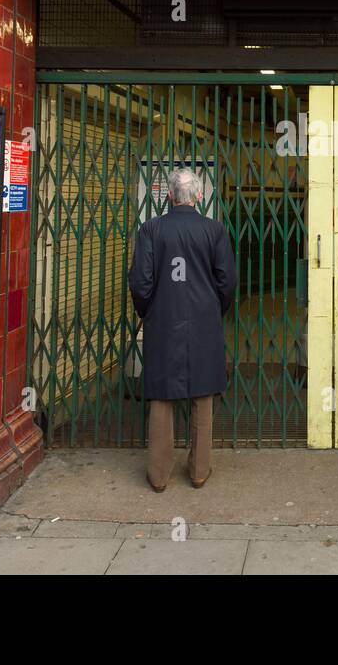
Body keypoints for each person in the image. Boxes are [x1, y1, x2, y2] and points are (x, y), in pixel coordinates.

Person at [129, 168, 237, 492]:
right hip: (204, 321)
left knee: (162, 395)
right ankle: (199, 470)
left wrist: (149, 311)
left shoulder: (150, 230)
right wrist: (216, 310)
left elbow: (140, 282)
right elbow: (227, 281)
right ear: (200, 196)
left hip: (164, 321)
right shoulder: (214, 231)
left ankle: (159, 474)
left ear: (170, 196)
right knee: (202, 394)